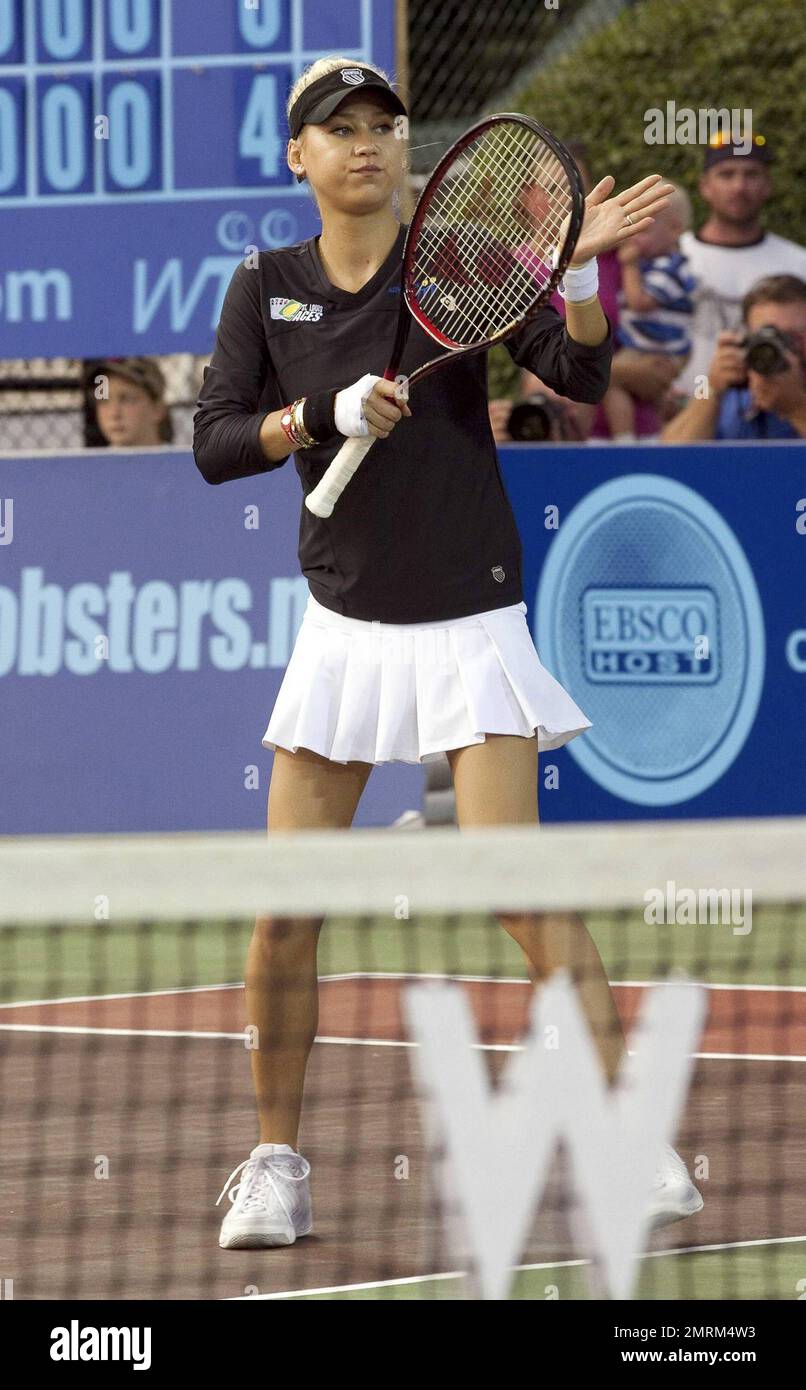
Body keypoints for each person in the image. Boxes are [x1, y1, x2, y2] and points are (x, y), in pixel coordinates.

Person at [192, 56, 701, 1249]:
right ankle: (277, 1163)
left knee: (516, 890)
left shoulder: (462, 270)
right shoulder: (263, 288)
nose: (365, 145)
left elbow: (575, 375)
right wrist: (320, 416)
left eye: (382, 126)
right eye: (339, 130)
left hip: (470, 618)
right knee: (284, 915)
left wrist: (576, 277)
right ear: (297, 157)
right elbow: (216, 442)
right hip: (343, 623)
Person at [675, 134, 806, 399]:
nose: (739, 186)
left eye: (751, 175)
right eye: (726, 174)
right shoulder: (675, 255)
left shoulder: (798, 263)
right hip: (681, 412)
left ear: (767, 185)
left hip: (773, 414)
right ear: (705, 186)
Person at [661, 274, 806, 442]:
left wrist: (796, 408)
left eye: (793, 337)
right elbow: (668, 458)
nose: (778, 347)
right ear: (746, 338)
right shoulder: (731, 389)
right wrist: (710, 388)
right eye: (767, 336)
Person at [603, 186, 696, 441]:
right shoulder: (655, 263)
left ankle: (624, 441)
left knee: (606, 379)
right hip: (652, 349)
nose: (632, 237)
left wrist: (629, 264)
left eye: (642, 230)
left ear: (675, 230)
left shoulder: (670, 268)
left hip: (656, 352)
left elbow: (639, 303)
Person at [84, 356, 172, 447]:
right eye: (103, 401)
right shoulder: (91, 461)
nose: (114, 413)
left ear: (157, 409)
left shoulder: (181, 460)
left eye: (127, 399)